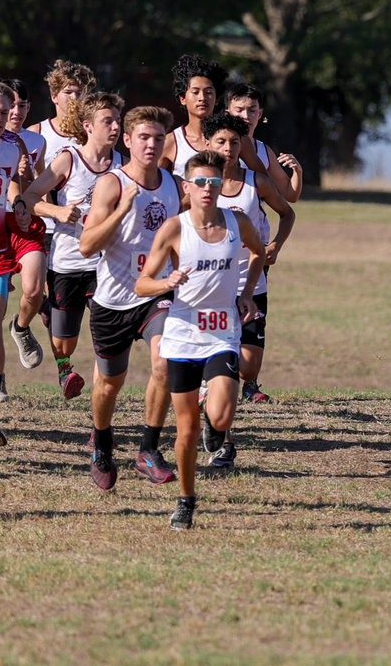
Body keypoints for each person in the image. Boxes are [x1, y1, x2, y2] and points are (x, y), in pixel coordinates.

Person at [135, 151, 265, 530]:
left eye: (214, 182)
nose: (208, 189)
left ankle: (215, 413)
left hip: (223, 332)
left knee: (222, 415)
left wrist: (247, 292)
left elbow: (259, 254)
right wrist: (166, 283)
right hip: (181, 335)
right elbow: (143, 283)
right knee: (186, 429)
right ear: (187, 188)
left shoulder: (238, 221)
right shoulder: (175, 228)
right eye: (200, 183)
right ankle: (186, 499)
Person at [79, 106, 184, 489]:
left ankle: (148, 449)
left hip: (155, 294)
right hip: (112, 301)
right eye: (144, 137)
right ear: (127, 140)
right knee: (109, 384)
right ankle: (102, 443)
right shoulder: (112, 183)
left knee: (164, 363)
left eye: (158, 138)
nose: (151, 145)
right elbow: (88, 245)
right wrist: (123, 208)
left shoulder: (173, 184)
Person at [21, 93, 124, 400]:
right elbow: (29, 199)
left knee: (105, 328)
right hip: (68, 262)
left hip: (105, 263)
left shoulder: (122, 164)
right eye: (108, 121)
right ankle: (65, 369)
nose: (116, 127)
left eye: (118, 120)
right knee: (65, 340)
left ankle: (105, 390)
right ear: (88, 126)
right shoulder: (69, 158)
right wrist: (58, 212)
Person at [205, 111, 296, 430]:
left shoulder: (254, 182)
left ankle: (219, 386)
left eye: (234, 142)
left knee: (247, 366)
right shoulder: (198, 184)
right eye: (221, 142)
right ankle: (213, 405)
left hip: (251, 280)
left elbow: (288, 213)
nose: (228, 148)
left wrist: (275, 246)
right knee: (221, 356)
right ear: (208, 144)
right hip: (210, 283)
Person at [0, 78, 32, 448]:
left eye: (4, 111)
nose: (0, 118)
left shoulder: (11, 148)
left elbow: (10, 185)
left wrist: (17, 204)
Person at [3, 79, 48, 373]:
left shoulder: (36, 142)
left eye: (23, 105)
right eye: (12, 105)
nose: (16, 111)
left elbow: (39, 188)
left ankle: (20, 328)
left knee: (33, 292)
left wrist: (28, 173)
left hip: (26, 224)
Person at [223, 82, 303, 204]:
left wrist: (297, 171)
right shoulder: (217, 147)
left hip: (255, 223)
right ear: (227, 113)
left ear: (260, 114)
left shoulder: (264, 151)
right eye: (239, 110)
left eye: (252, 110)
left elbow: (290, 195)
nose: (246, 116)